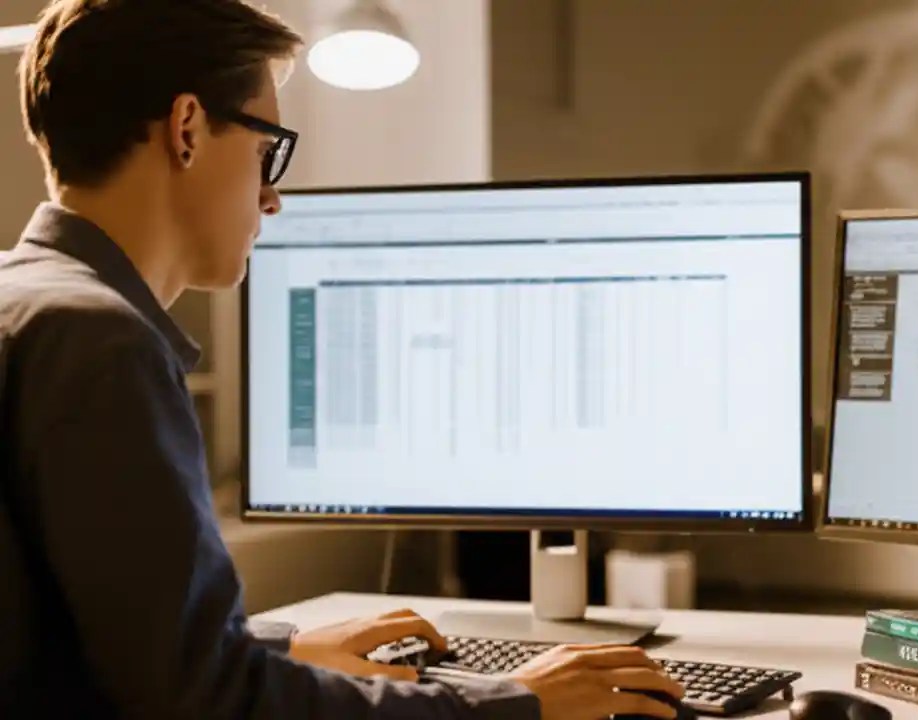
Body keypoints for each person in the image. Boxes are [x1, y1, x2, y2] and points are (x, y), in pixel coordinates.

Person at [0, 1, 683, 718]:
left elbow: (92, 649)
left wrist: (281, 649)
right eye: (266, 151)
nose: (272, 198)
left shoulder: (28, 305)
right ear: (187, 130)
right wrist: (513, 703)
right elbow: (211, 703)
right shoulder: (104, 343)